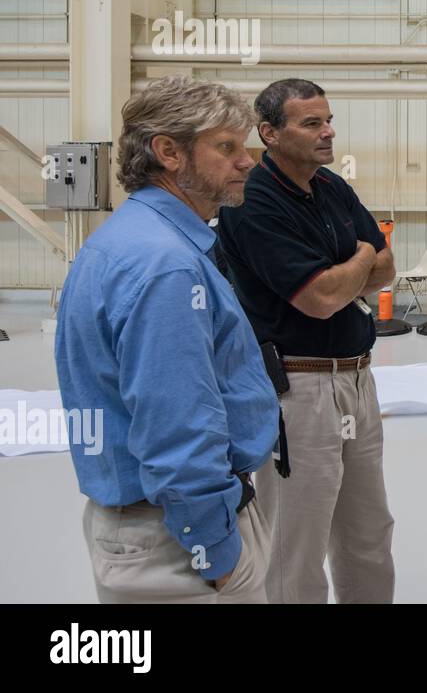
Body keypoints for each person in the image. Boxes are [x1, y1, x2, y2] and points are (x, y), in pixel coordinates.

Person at [55, 75, 279, 603]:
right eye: (227, 147)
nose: (247, 161)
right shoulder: (166, 267)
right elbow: (178, 426)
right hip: (179, 547)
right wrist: (216, 555)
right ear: (168, 152)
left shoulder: (126, 240)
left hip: (152, 528)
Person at [216, 78, 397, 603]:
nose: (328, 132)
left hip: (357, 381)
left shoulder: (330, 186)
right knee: (295, 543)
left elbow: (385, 271)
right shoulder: (252, 203)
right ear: (269, 133)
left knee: (369, 531)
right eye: (311, 123)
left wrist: (354, 272)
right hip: (298, 389)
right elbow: (320, 297)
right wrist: (360, 257)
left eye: (328, 120)